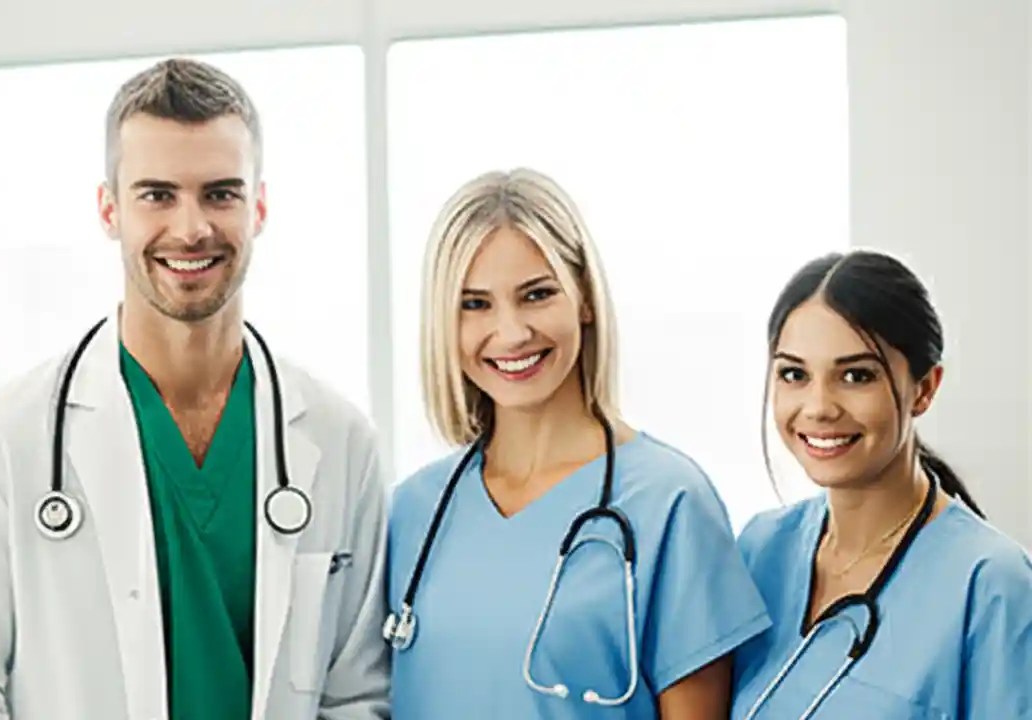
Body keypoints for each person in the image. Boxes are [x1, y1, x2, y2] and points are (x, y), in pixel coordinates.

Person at [0, 58, 390, 720]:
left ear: (260, 206)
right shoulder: (5, 442)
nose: (191, 228)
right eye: (157, 194)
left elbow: (357, 698)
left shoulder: (339, 440)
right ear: (110, 209)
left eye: (220, 193)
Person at [384, 168, 771, 718]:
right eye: (475, 304)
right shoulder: (411, 512)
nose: (512, 332)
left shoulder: (669, 502)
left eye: (537, 295)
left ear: (584, 299)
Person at [730, 250, 1032, 719]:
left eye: (856, 376)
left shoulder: (992, 585)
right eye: (795, 374)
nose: (819, 407)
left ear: (925, 388)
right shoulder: (758, 550)